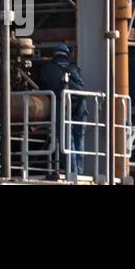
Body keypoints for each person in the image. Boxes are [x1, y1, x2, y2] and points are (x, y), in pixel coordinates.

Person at [39, 44, 88, 176]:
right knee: (79, 139)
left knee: (67, 140)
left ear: (54, 55)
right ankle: (79, 172)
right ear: (67, 54)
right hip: (81, 106)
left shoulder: (47, 69)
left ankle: (72, 172)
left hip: (62, 104)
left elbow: (42, 90)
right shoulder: (74, 68)